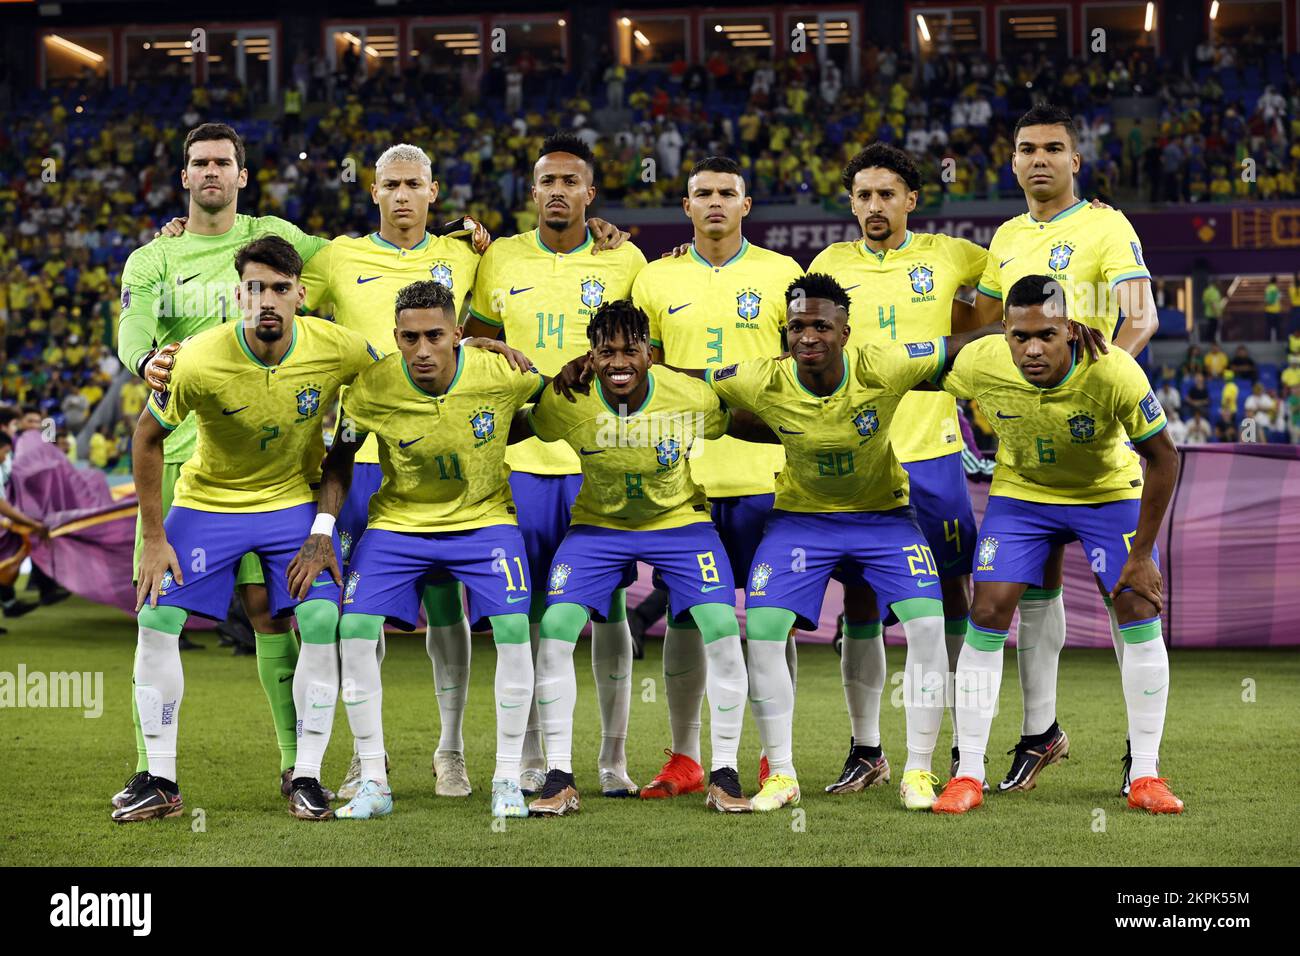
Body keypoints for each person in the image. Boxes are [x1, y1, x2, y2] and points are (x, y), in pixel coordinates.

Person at [697, 273, 1004, 812]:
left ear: (845, 331)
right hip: (800, 521)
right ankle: (783, 775)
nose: (807, 336)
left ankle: (918, 770)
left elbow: (958, 345)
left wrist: (1029, 326)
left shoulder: (881, 365)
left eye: (821, 325)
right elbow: (687, 380)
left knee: (930, 625)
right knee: (764, 631)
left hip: (882, 517)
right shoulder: (762, 378)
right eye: (796, 327)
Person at [114, 236, 375, 823]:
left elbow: (395, 379)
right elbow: (146, 438)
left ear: (300, 295)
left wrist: (325, 524)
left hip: (290, 505)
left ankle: (305, 775)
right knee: (155, 616)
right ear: (239, 295)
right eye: (256, 288)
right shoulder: (202, 358)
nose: (268, 301)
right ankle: (159, 779)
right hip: (208, 502)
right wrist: (154, 539)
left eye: (281, 289)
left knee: (319, 617)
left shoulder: (336, 347)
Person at [115, 122, 333, 808]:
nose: (211, 172)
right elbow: (132, 328)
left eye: (223, 162)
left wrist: (452, 234)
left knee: (272, 611)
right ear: (185, 177)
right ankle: (158, 774)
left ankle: (297, 766)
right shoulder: (153, 257)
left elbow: (357, 259)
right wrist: (143, 359)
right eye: (199, 163)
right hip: (177, 461)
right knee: (159, 613)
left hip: (261, 461)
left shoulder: (274, 237)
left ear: (243, 175)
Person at [291, 280, 545, 820]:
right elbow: (339, 456)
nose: (422, 350)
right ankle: (374, 780)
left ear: (459, 334)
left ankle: (504, 777)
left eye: (435, 336)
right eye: (409, 338)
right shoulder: (372, 388)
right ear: (396, 338)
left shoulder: (502, 374)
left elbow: (558, 396)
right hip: (398, 525)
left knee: (514, 631)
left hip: (484, 521)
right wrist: (322, 528)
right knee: (353, 630)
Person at [933, 274, 1184, 816]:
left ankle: (1145, 773)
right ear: (1003, 333)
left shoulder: (1113, 370)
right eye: (1020, 336)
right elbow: (908, 367)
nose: (1032, 348)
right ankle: (968, 772)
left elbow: (1166, 457)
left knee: (1137, 606)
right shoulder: (980, 363)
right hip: (1022, 497)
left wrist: (1141, 556)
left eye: (1046, 335)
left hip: (1106, 493)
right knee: (988, 608)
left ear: (1071, 329)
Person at [973, 104, 1157, 793]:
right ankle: (1040, 734)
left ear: (1075, 161)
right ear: (1014, 161)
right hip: (1026, 454)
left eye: (1054, 147)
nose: (1040, 158)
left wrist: (1100, 388)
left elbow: (1140, 317)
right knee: (1029, 592)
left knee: (1127, 597)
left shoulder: (1107, 225)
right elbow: (988, 329)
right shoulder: (1007, 235)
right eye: (1027, 148)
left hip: (1096, 447)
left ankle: (1142, 759)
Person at [464, 132, 648, 797]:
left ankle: (613, 761)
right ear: (532, 190)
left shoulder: (624, 258)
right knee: (532, 613)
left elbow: (645, 346)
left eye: (572, 181)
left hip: (599, 458)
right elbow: (471, 335)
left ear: (590, 194)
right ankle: (539, 757)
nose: (559, 191)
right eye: (548, 181)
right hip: (517, 458)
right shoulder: (500, 259)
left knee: (610, 611)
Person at [523, 300, 760, 816]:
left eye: (631, 349)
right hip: (597, 527)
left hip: (679, 522)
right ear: (590, 355)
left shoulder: (691, 396)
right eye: (606, 351)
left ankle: (723, 771)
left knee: (721, 625)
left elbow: (739, 419)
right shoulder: (566, 401)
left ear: (651, 353)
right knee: (556, 627)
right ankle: (559, 775)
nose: (618, 361)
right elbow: (517, 422)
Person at [811, 142, 989, 792]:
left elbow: (1010, 279)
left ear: (912, 198)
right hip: (860, 461)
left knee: (950, 597)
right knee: (860, 598)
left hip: (935, 455)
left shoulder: (950, 255)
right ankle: (867, 751)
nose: (875, 206)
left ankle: (963, 749)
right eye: (863, 195)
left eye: (887, 194)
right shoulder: (828, 265)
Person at [630, 156, 803, 800]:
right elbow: (639, 375)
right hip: (681, 480)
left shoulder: (783, 274)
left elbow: (799, 367)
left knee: (771, 621)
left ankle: (771, 757)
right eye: (702, 193)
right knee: (684, 619)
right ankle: (685, 756)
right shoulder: (654, 278)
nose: (715, 204)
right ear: (685, 205)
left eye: (727, 193)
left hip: (767, 473)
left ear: (746, 204)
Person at [1264, 276, 1282, 342]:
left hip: (1269, 310)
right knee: (1277, 328)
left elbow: (1267, 299)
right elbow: (1271, 300)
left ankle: (1268, 341)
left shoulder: (1268, 288)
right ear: (1275, 281)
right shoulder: (1274, 288)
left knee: (1269, 328)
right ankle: (1277, 341)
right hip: (1274, 311)